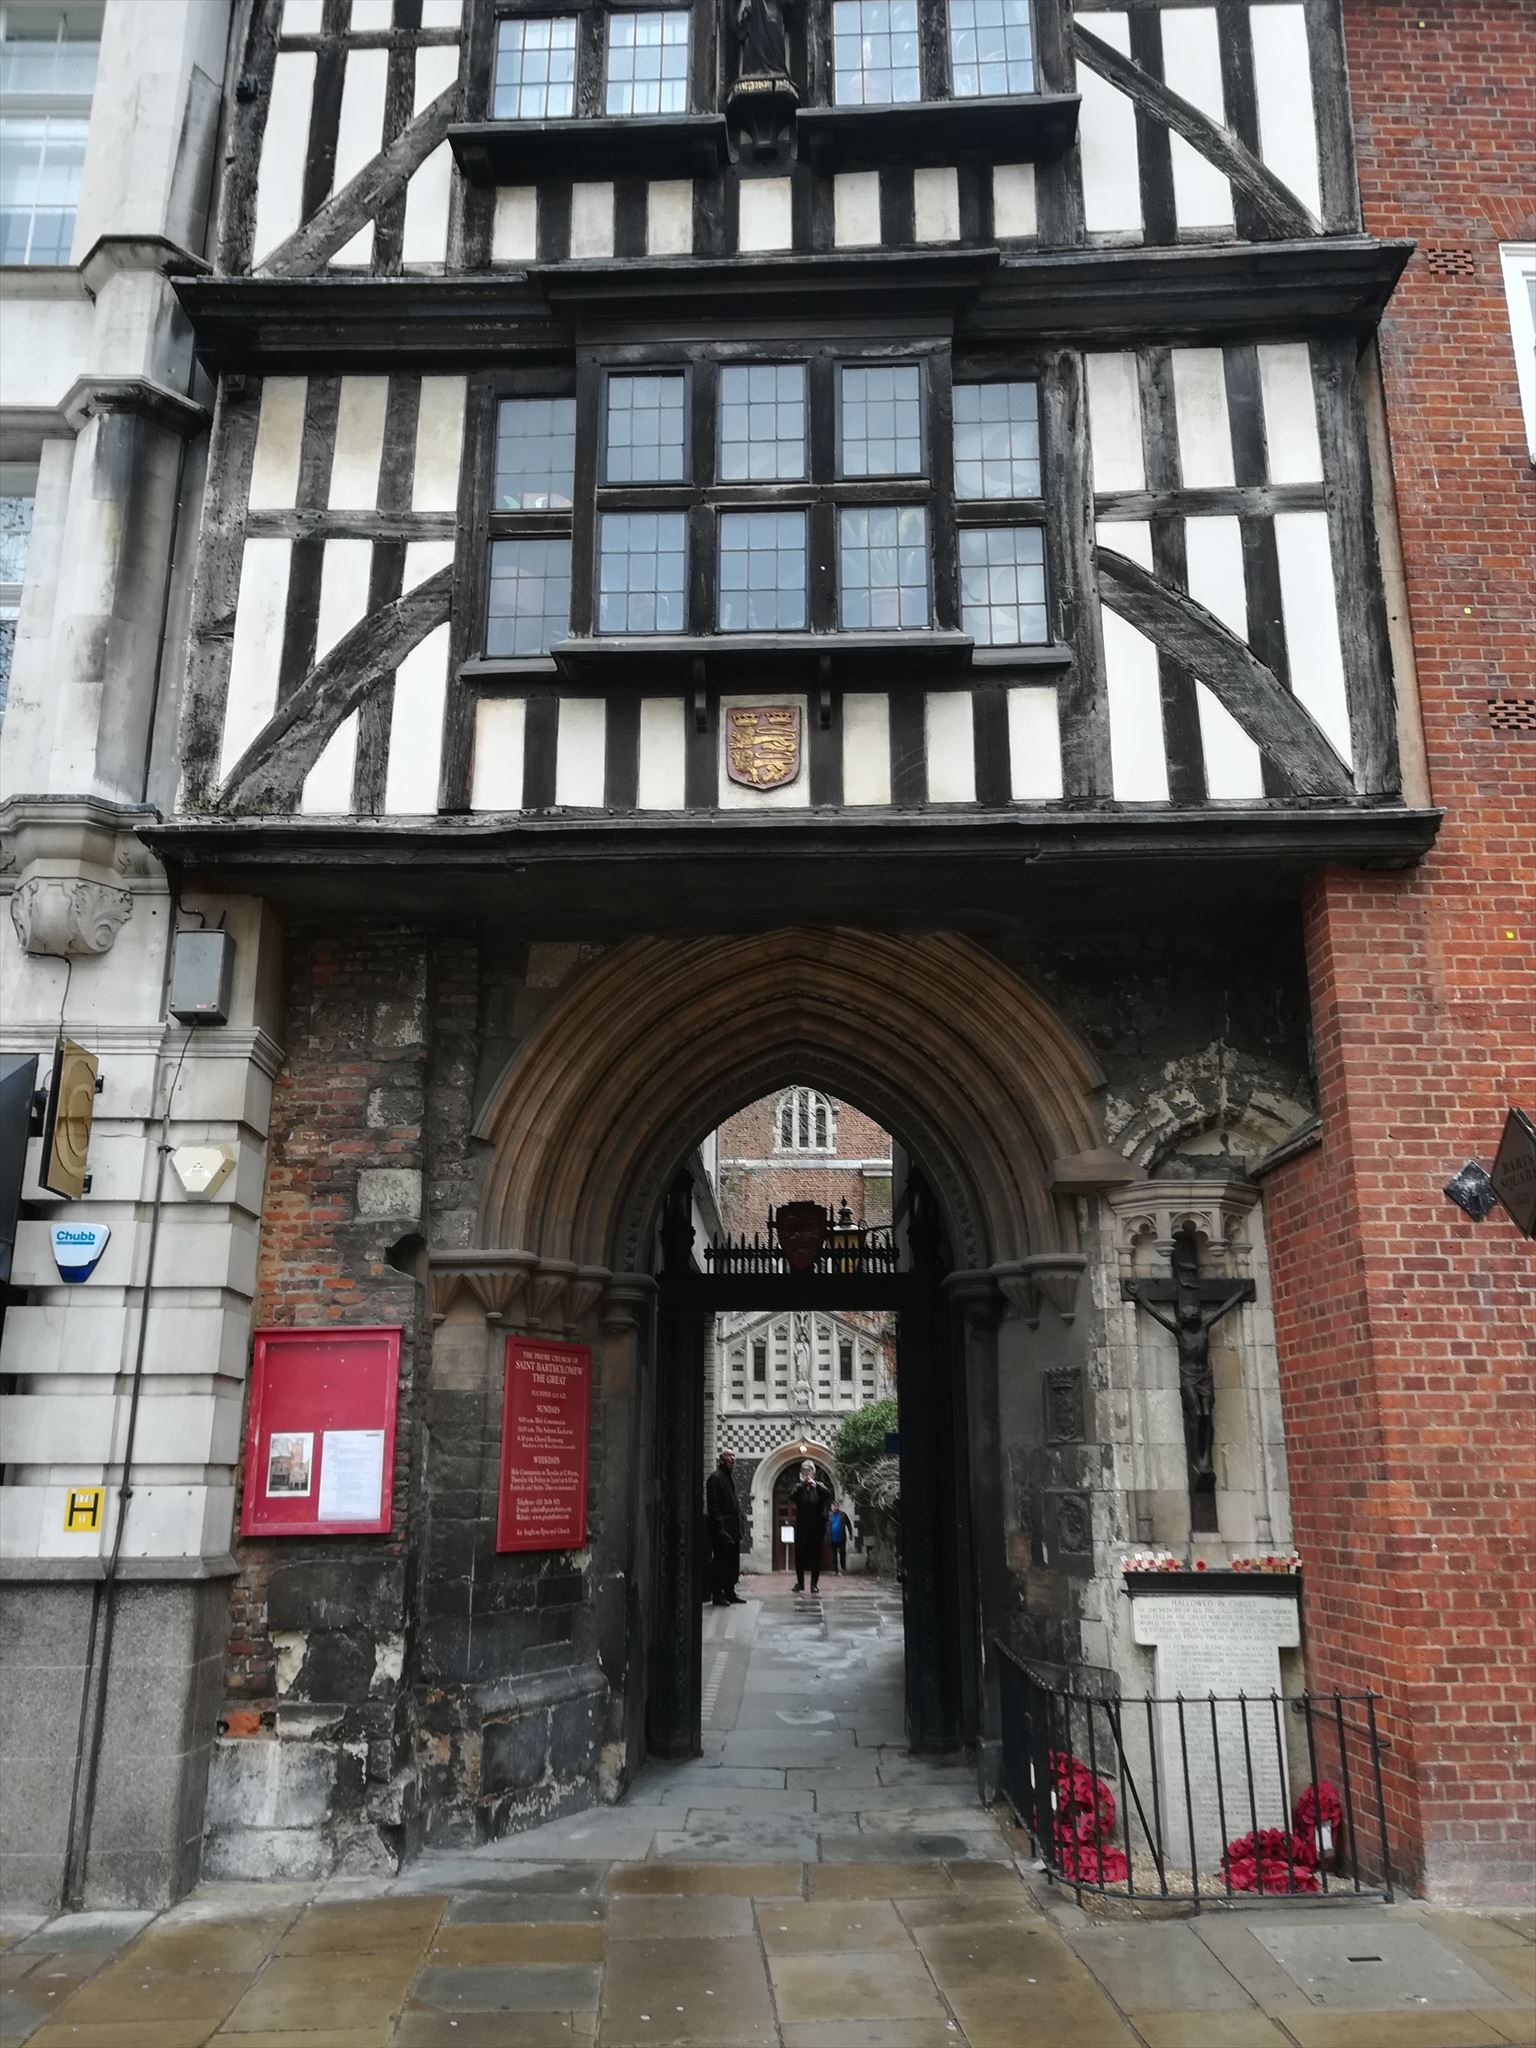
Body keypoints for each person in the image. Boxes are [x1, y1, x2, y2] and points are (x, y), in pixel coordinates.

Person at [705, 1450, 744, 1606]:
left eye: (733, 1456)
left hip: (733, 1528)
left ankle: (730, 1592)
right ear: (721, 1460)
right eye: (729, 1456)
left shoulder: (728, 1478)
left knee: (732, 1563)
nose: (733, 1459)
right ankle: (717, 1594)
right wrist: (720, 1528)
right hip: (723, 1529)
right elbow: (713, 1506)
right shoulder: (715, 1478)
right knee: (721, 1563)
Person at [788, 1459, 831, 1595]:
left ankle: (814, 1585)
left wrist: (814, 1484)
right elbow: (792, 1497)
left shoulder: (820, 1486)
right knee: (799, 1556)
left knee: (816, 1556)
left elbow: (827, 1495)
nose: (807, 1474)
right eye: (804, 1471)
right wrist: (802, 1485)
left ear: (813, 1472)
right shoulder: (798, 1487)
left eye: (809, 1471)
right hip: (802, 1527)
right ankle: (800, 1583)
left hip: (817, 1528)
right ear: (801, 1473)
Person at [827, 1498, 848, 1575]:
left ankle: (843, 1567)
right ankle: (836, 1570)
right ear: (831, 1507)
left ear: (838, 1507)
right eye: (833, 1506)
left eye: (836, 1506)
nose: (835, 1508)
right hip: (832, 1538)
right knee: (834, 1554)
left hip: (841, 1538)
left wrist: (851, 1534)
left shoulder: (843, 1514)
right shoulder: (829, 1515)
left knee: (842, 1553)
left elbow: (848, 1525)